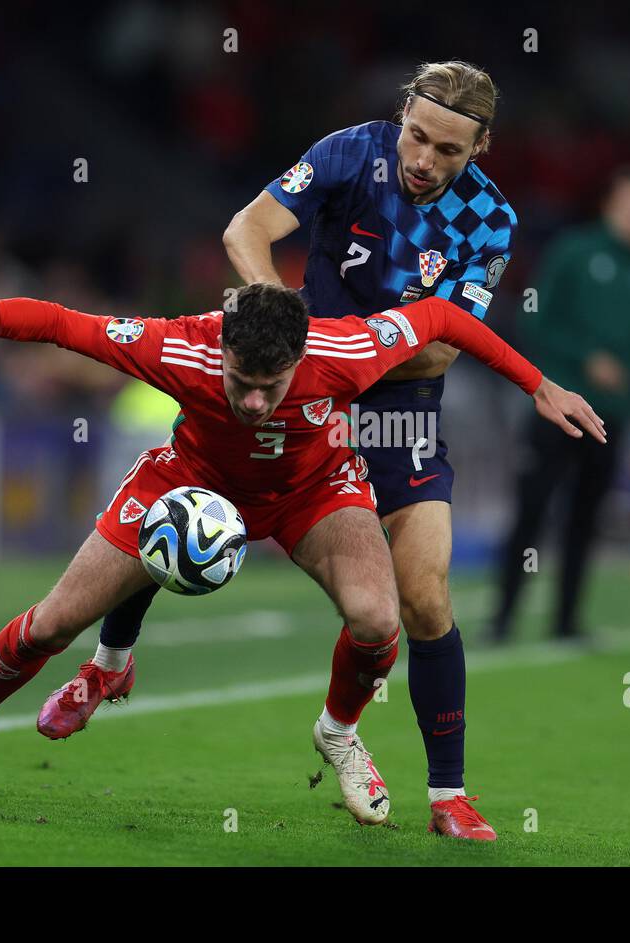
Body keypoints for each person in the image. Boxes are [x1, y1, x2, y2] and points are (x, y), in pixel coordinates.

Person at [0, 285, 604, 833]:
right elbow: (66, 326)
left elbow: (443, 318)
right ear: (220, 348)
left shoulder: (344, 348)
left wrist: (540, 386)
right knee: (49, 624)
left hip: (312, 491)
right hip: (191, 482)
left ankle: (338, 735)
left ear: (298, 359)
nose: (254, 401)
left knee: (379, 619)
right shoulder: (179, 346)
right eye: (240, 382)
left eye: (271, 386)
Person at [56, 61, 518, 839]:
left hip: (395, 412)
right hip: (295, 394)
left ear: (480, 149)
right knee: (184, 508)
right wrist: (285, 329)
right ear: (401, 114)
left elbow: (440, 352)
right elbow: (248, 230)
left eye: (448, 150)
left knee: (423, 601)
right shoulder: (349, 153)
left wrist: (347, 352)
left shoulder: (490, 220)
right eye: (416, 135)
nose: (423, 160)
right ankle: (108, 660)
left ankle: (442, 793)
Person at [489, 168, 630, 643]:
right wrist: (584, 360)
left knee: (586, 518)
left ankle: (566, 622)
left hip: (610, 418)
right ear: (610, 205)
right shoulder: (575, 252)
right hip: (556, 405)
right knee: (531, 508)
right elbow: (536, 320)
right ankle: (502, 618)